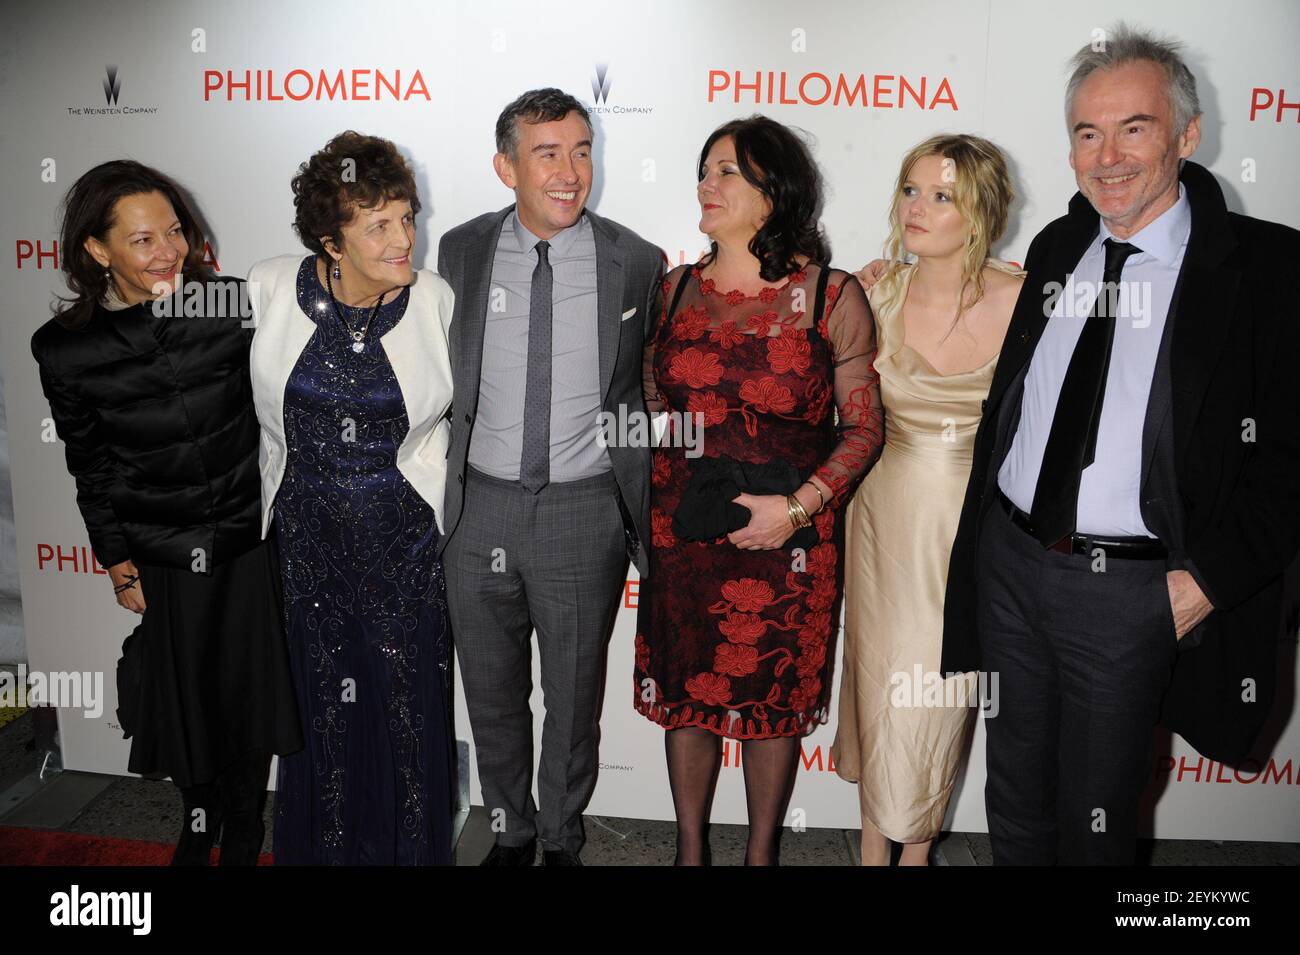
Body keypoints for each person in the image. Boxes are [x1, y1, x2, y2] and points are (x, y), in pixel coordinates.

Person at [942, 23, 1300, 864]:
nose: (1108, 156)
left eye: (1133, 128)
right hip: (1012, 566)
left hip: (1133, 593)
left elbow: (1290, 460)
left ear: (1186, 133)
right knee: (1015, 803)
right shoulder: (1059, 245)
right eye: (1086, 132)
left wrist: (1202, 583)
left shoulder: (1270, 272)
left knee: (1096, 819)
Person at [31, 160, 302, 865]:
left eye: (175, 232)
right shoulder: (66, 348)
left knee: (249, 694)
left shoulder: (233, 306)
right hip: (164, 548)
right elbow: (88, 461)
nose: (168, 252)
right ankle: (201, 815)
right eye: (144, 239)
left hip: (250, 537)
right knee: (187, 701)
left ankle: (245, 821)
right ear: (96, 249)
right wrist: (118, 560)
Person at [635, 115, 883, 865]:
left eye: (727, 173)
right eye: (704, 171)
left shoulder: (829, 295)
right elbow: (653, 388)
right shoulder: (674, 289)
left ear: (774, 192)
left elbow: (865, 429)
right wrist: (673, 464)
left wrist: (798, 508)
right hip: (688, 534)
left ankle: (762, 854)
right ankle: (689, 852)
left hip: (789, 543)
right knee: (688, 695)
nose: (706, 186)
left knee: (772, 709)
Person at [436, 88, 662, 867]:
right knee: (492, 697)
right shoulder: (459, 251)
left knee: (573, 702)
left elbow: (651, 384)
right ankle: (510, 831)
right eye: (548, 153)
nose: (571, 172)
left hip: (582, 511)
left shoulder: (636, 261)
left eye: (582, 150)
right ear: (506, 166)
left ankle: (562, 839)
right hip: (477, 512)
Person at [248, 131, 456, 865]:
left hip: (406, 548)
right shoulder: (269, 288)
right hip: (305, 547)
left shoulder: (436, 301)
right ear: (331, 240)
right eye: (379, 225)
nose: (404, 238)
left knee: (407, 713)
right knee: (320, 714)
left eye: (407, 216)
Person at [833, 135, 1023, 866]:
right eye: (911, 190)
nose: (918, 208)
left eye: (942, 196)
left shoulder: (1027, 300)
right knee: (881, 680)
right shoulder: (875, 292)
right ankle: (875, 851)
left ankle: (910, 857)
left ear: (978, 213)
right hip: (880, 517)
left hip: (969, 529)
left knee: (936, 695)